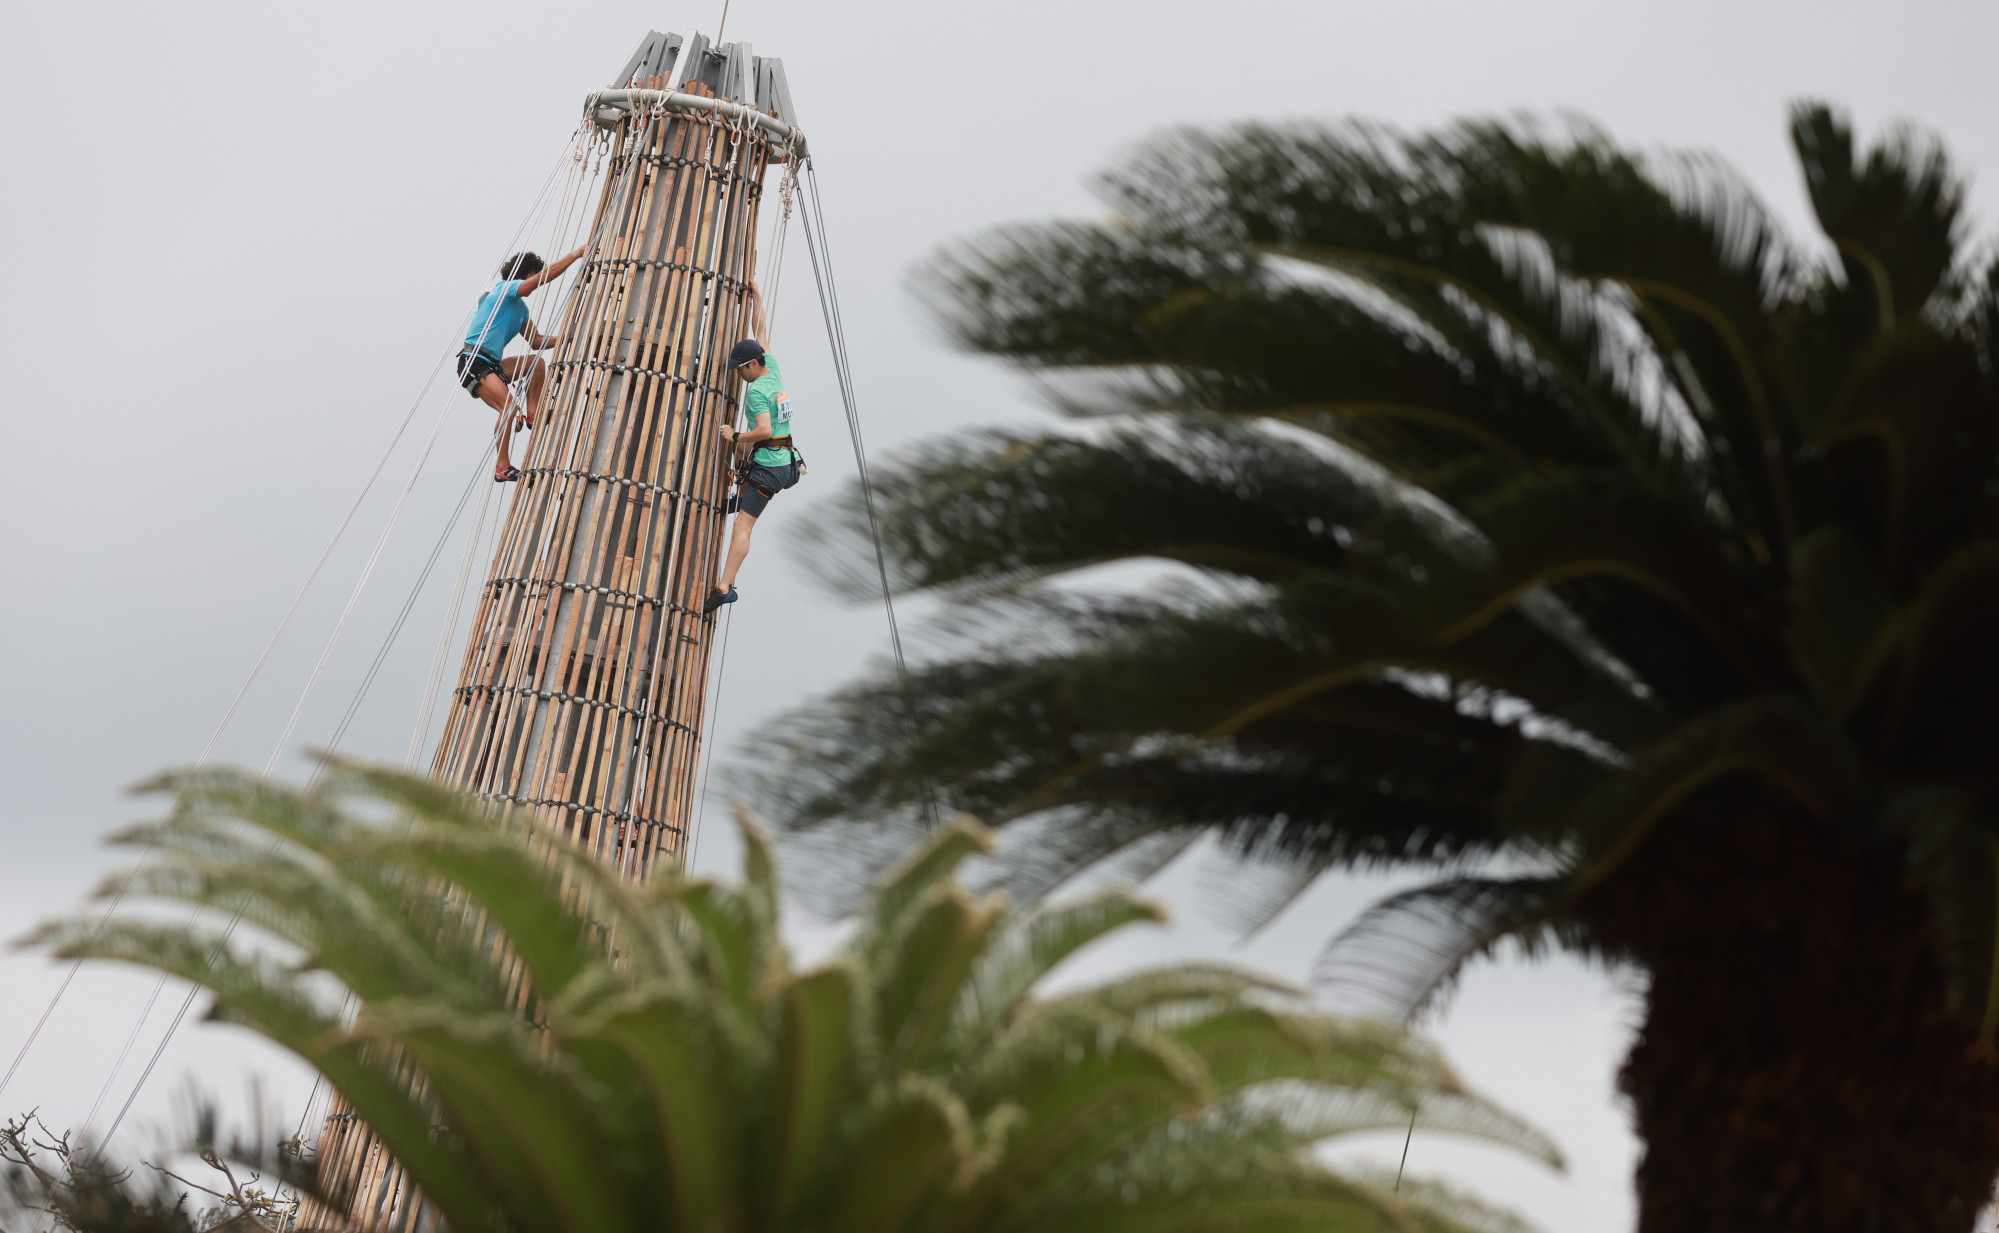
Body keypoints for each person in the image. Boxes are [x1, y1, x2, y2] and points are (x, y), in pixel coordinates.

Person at [456, 245, 587, 482]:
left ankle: (533, 414)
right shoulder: (504, 290)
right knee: (508, 409)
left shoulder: (521, 309)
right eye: (533, 275)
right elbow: (543, 278)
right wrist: (574, 255)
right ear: (525, 275)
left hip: (492, 364)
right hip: (473, 361)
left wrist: (570, 336)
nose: (535, 281)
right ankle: (502, 467)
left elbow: (536, 341)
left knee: (535, 363)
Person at [704, 336, 802, 613]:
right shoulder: (772, 369)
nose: (738, 373)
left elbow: (764, 431)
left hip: (771, 467)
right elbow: (763, 336)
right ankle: (741, 498)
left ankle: (724, 589)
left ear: (753, 364)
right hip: (783, 459)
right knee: (747, 461)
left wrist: (734, 435)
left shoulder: (757, 392)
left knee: (742, 528)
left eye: (740, 369)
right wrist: (756, 293)